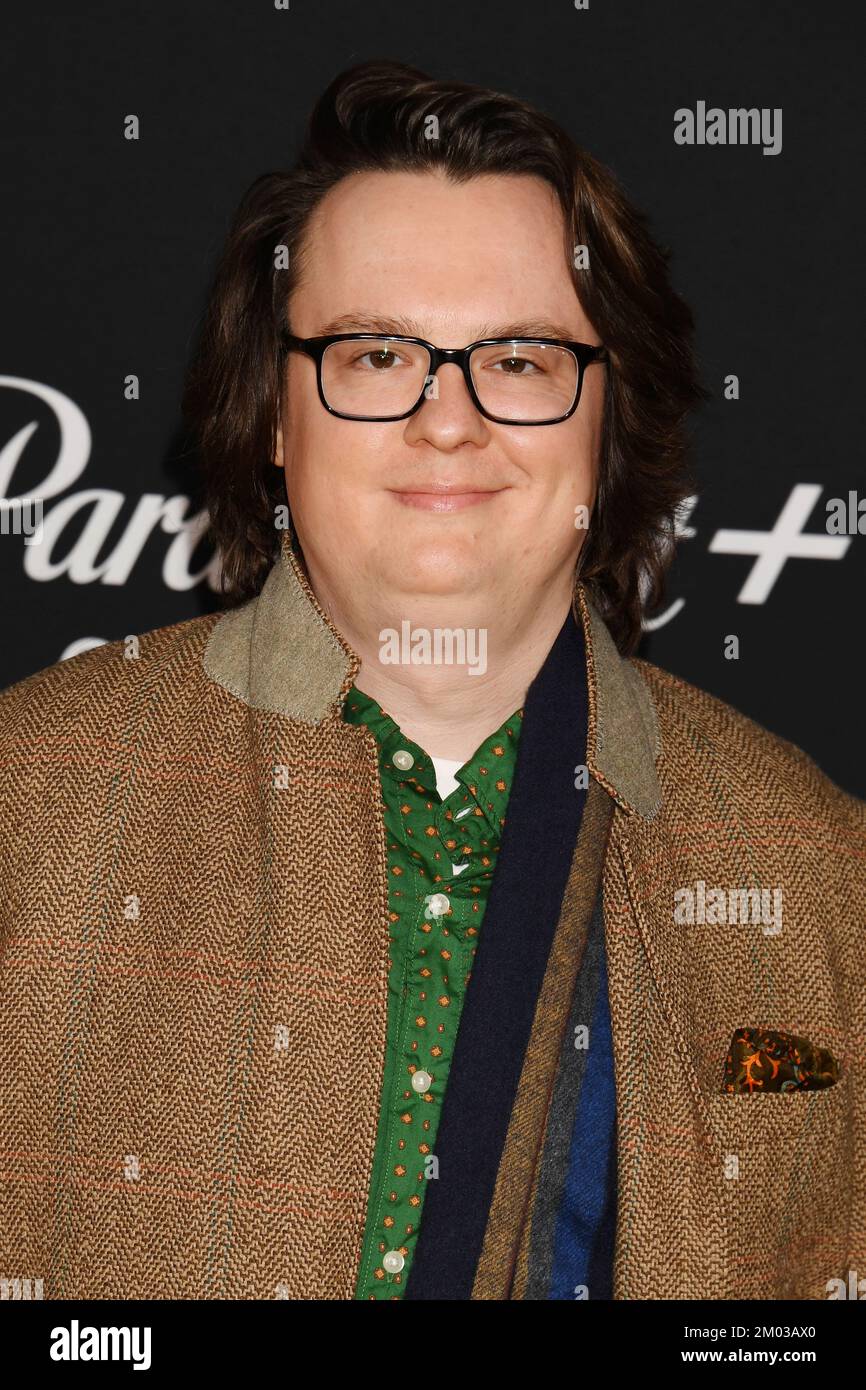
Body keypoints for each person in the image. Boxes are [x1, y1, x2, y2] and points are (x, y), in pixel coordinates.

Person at [0, 58, 862, 1302]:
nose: (445, 419)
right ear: (275, 419)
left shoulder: (818, 877)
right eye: (372, 354)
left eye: (516, 359)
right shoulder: (28, 805)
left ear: (607, 425)